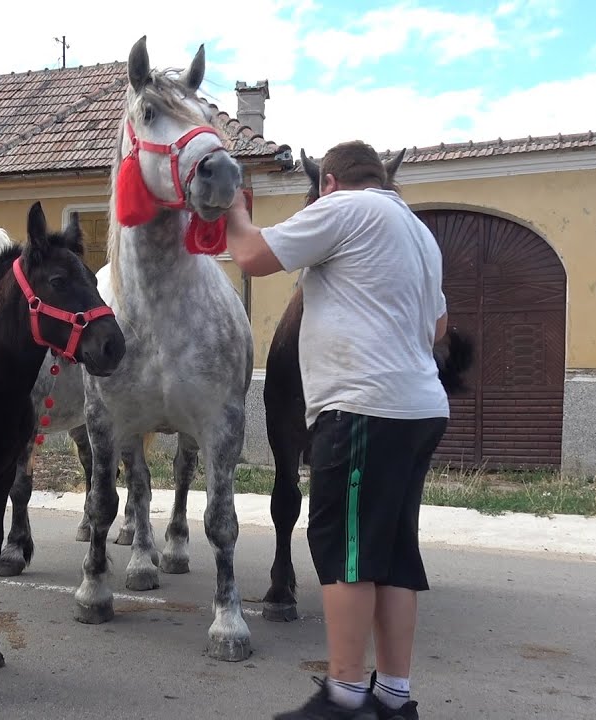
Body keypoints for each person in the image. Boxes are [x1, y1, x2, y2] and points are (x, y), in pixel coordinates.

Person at [224, 140, 448, 720]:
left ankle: (344, 698)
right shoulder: (417, 232)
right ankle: (393, 698)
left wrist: (234, 207)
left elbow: (250, 255)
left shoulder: (345, 208)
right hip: (420, 409)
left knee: (345, 550)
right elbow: (439, 324)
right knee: (394, 556)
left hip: (362, 410)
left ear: (327, 182)